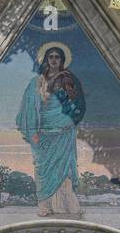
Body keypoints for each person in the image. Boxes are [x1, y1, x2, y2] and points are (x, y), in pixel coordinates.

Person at [15, 45, 86, 217]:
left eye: (57, 57)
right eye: (51, 56)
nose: (54, 59)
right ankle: (45, 207)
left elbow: (76, 104)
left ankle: (67, 206)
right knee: (42, 169)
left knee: (64, 171)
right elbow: (30, 107)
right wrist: (33, 131)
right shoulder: (37, 81)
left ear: (62, 60)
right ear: (46, 59)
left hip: (63, 129)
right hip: (44, 131)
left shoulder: (68, 79)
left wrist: (68, 92)